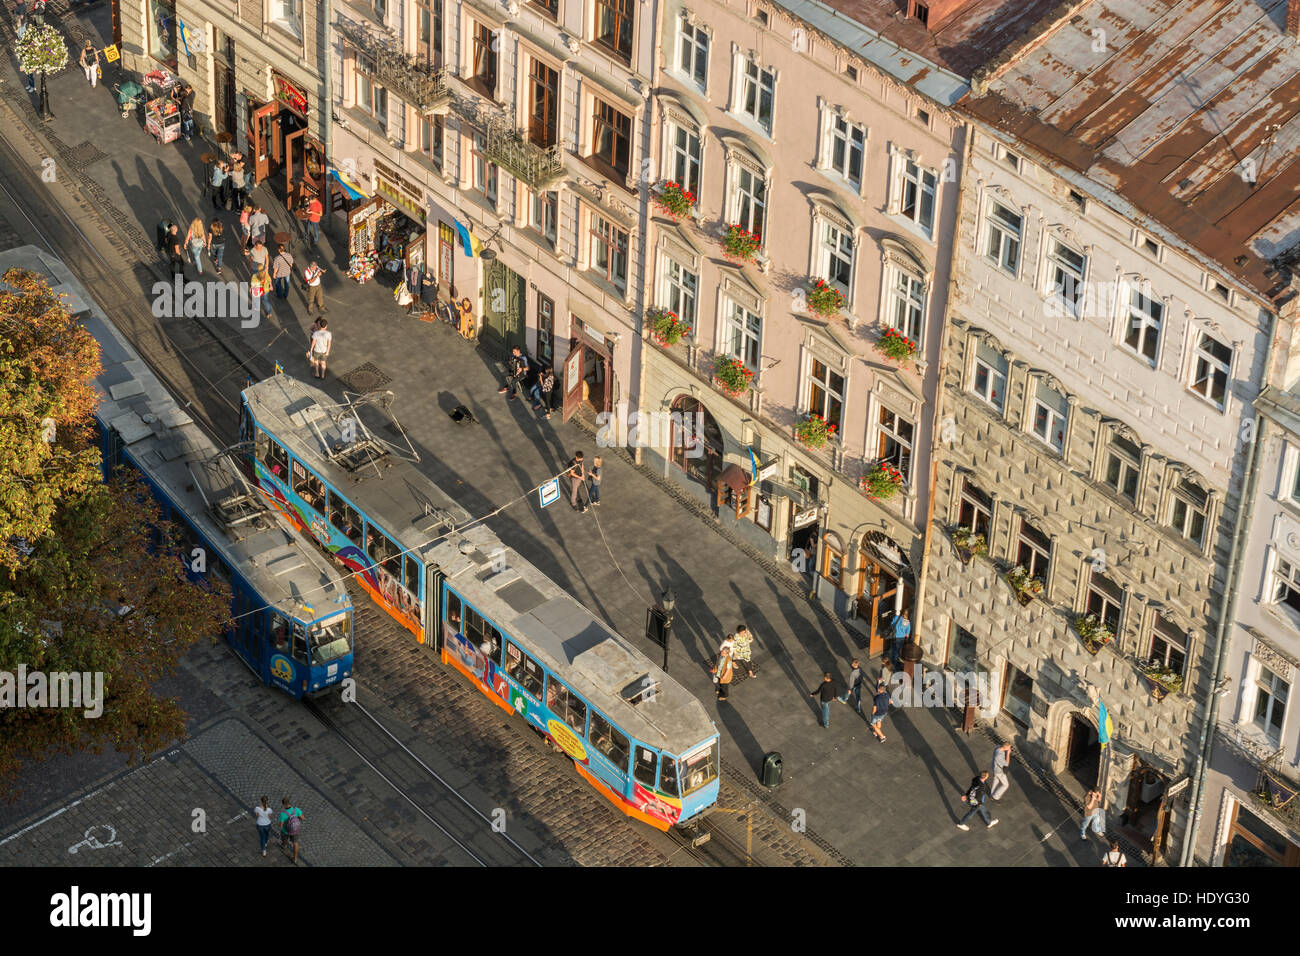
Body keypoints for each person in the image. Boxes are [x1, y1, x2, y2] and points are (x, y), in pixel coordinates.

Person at [278, 797, 303, 863]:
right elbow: (303, 818)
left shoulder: (283, 814)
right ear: (289, 802)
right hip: (295, 830)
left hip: (285, 831)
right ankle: (295, 859)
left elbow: (280, 825)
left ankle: (284, 846)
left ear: (283, 804)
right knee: (295, 843)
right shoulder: (296, 810)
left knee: (284, 839)